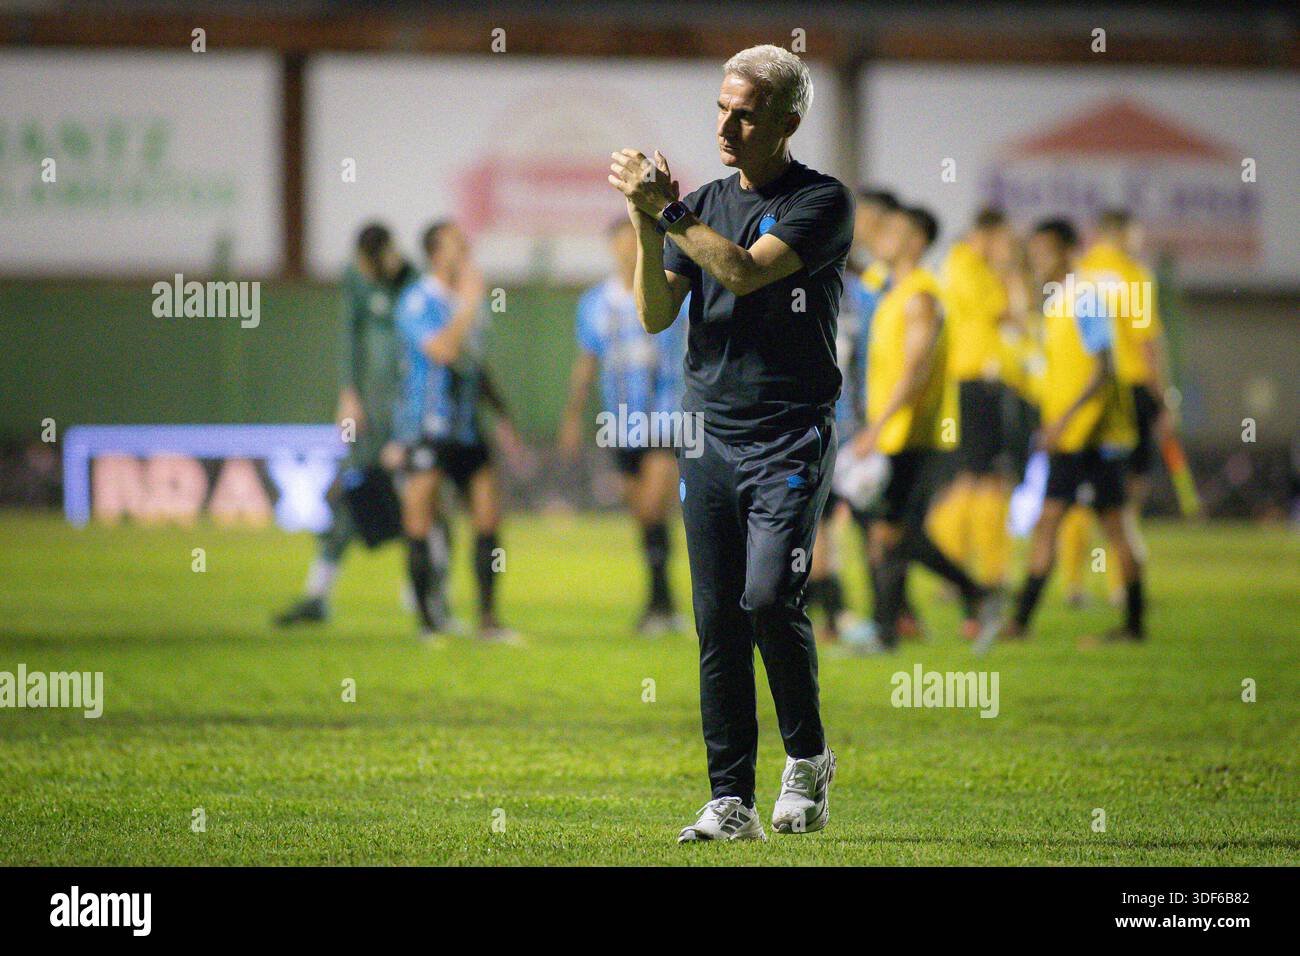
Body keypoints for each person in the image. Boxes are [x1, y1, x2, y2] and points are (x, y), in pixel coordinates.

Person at [608, 44, 845, 842]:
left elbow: (743, 271)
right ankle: (730, 799)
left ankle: (808, 759)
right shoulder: (702, 202)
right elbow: (652, 314)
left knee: (771, 598)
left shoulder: (822, 203)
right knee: (718, 621)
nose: (728, 124)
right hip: (708, 436)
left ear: (789, 120)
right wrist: (649, 223)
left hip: (788, 434)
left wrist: (671, 213)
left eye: (746, 112)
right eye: (721, 107)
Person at [853, 206, 1001, 652]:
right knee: (888, 533)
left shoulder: (920, 295)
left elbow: (916, 369)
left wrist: (877, 425)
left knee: (891, 533)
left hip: (911, 433)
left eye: (894, 230)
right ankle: (888, 630)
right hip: (895, 432)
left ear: (916, 241)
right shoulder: (895, 291)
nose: (883, 236)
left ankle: (975, 595)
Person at [1000, 218, 1146, 645]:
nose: (1038, 259)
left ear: (1067, 251)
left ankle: (1129, 625)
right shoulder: (1059, 301)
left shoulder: (1085, 297)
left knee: (1109, 527)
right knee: (1056, 523)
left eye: (1045, 251)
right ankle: (1023, 623)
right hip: (1072, 436)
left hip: (1094, 436)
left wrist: (1064, 419)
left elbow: (1104, 367)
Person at [275, 222, 417, 627]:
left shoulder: (415, 284)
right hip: (371, 412)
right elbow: (349, 338)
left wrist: (411, 423)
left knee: (422, 500)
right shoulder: (356, 280)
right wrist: (349, 394)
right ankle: (317, 595)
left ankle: (422, 599)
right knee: (351, 493)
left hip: (412, 412)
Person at [559, 220, 689, 635]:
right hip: (620, 423)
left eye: (634, 241)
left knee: (653, 506)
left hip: (668, 417)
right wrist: (573, 415)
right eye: (620, 242)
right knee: (644, 518)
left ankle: (660, 604)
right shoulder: (595, 302)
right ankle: (662, 604)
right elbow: (587, 361)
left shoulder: (673, 290)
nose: (627, 249)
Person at [394, 221, 521, 642]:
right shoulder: (417, 301)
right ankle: (428, 622)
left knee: (488, 519)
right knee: (419, 519)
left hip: (469, 429)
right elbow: (444, 351)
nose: (463, 250)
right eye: (454, 244)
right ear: (433, 253)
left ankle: (488, 619)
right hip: (428, 427)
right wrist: (467, 306)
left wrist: (502, 414)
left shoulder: (470, 304)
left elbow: (475, 366)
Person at [1058, 210, 1173, 606]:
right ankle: (1120, 587)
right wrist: (1162, 397)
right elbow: (1147, 341)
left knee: (1074, 495)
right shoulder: (1134, 274)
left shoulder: (1080, 273)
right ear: (1122, 233)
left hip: (1085, 390)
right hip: (1131, 390)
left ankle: (1073, 584)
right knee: (1125, 499)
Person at [928, 209, 1018, 631]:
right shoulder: (966, 264)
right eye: (1002, 239)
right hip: (972, 381)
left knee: (975, 477)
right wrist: (1006, 273)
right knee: (978, 478)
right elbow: (1007, 311)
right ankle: (974, 573)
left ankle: (968, 573)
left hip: (980, 381)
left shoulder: (967, 264)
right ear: (986, 235)